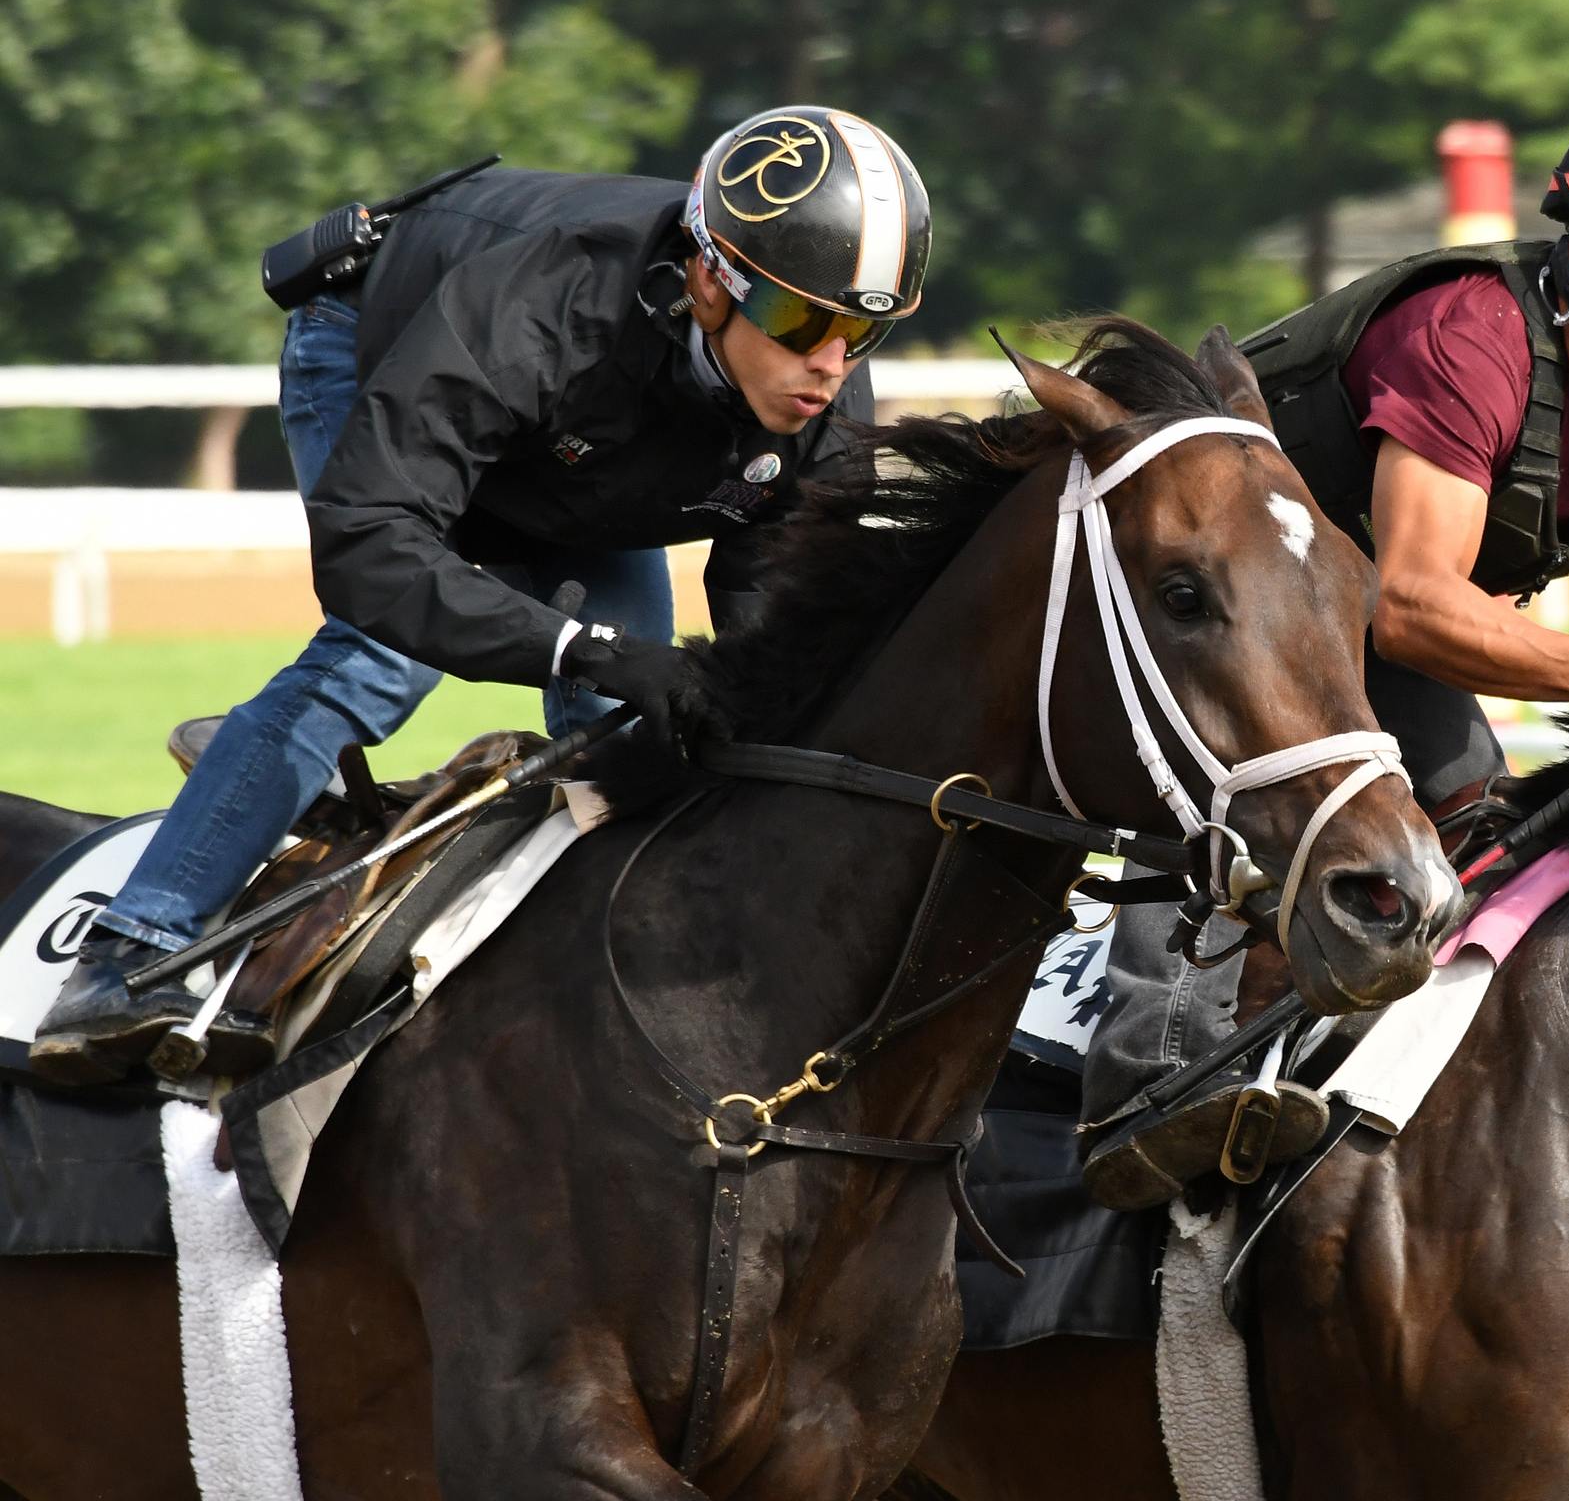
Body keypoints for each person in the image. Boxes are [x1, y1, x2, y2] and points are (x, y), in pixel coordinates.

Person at [30, 105, 932, 1088]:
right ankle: (127, 953)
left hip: (585, 439)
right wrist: (581, 647)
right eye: (804, 322)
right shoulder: (547, 305)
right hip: (385, 349)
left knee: (640, 724)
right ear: (713, 281)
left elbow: (779, 606)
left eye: (863, 331)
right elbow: (371, 552)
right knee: (385, 655)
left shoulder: (825, 387)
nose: (832, 364)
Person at [1079, 77, 1569, 1209]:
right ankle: (1152, 1083)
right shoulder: (1468, 334)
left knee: (1477, 843)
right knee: (1259, 784)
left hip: (1344, 632)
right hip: (1193, 610)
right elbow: (1415, 601)